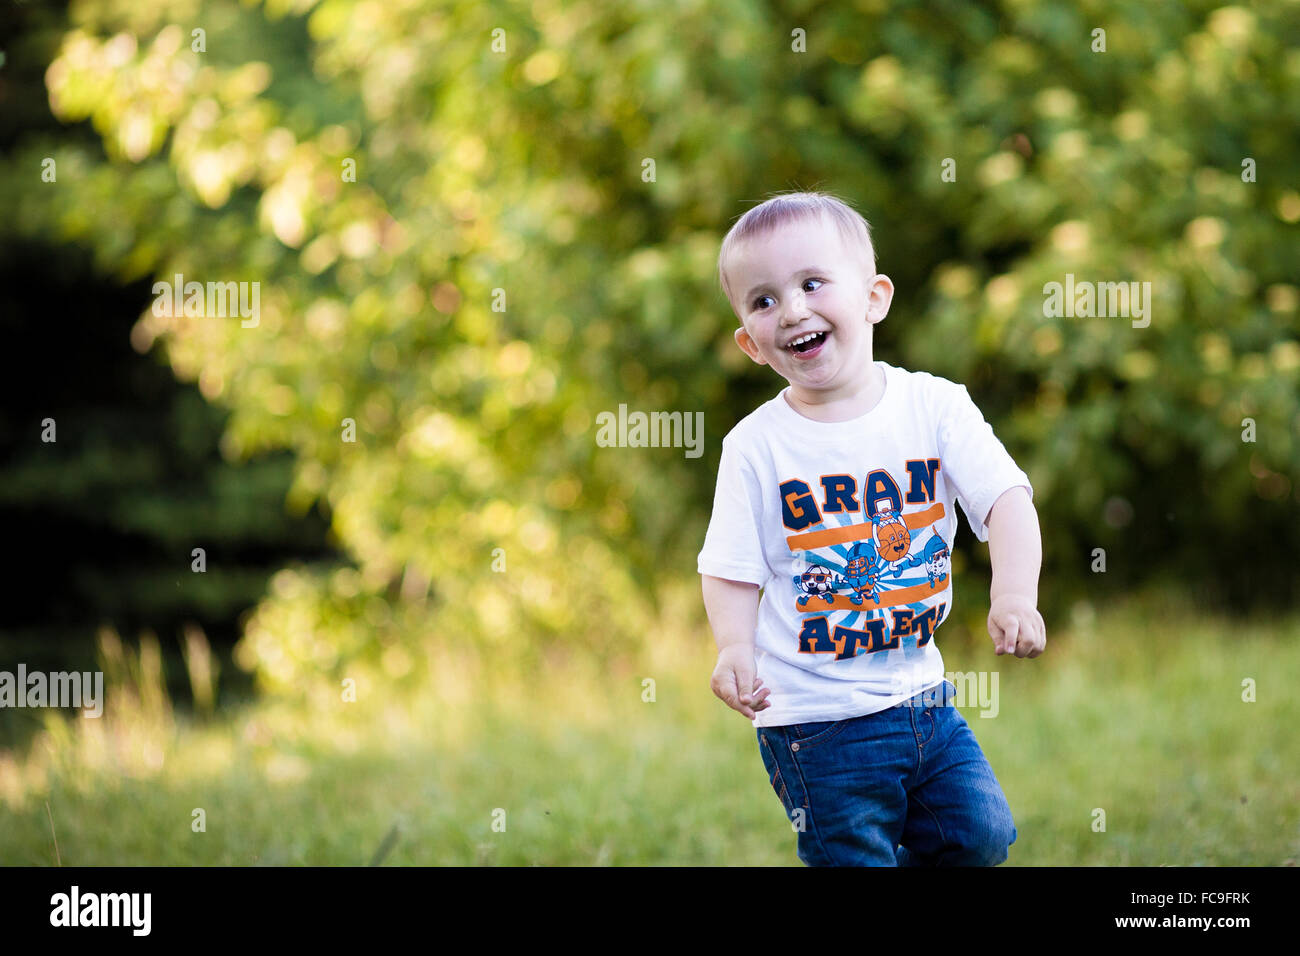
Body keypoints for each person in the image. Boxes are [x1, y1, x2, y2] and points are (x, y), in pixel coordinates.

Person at [697, 191, 1046, 866]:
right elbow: (730, 564)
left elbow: (1006, 498)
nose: (792, 309)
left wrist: (1013, 596)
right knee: (853, 858)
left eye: (812, 283)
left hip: (924, 700)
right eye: (764, 301)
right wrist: (734, 647)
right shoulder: (757, 447)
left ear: (873, 297)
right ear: (749, 342)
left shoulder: (935, 407)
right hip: (813, 724)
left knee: (979, 836)